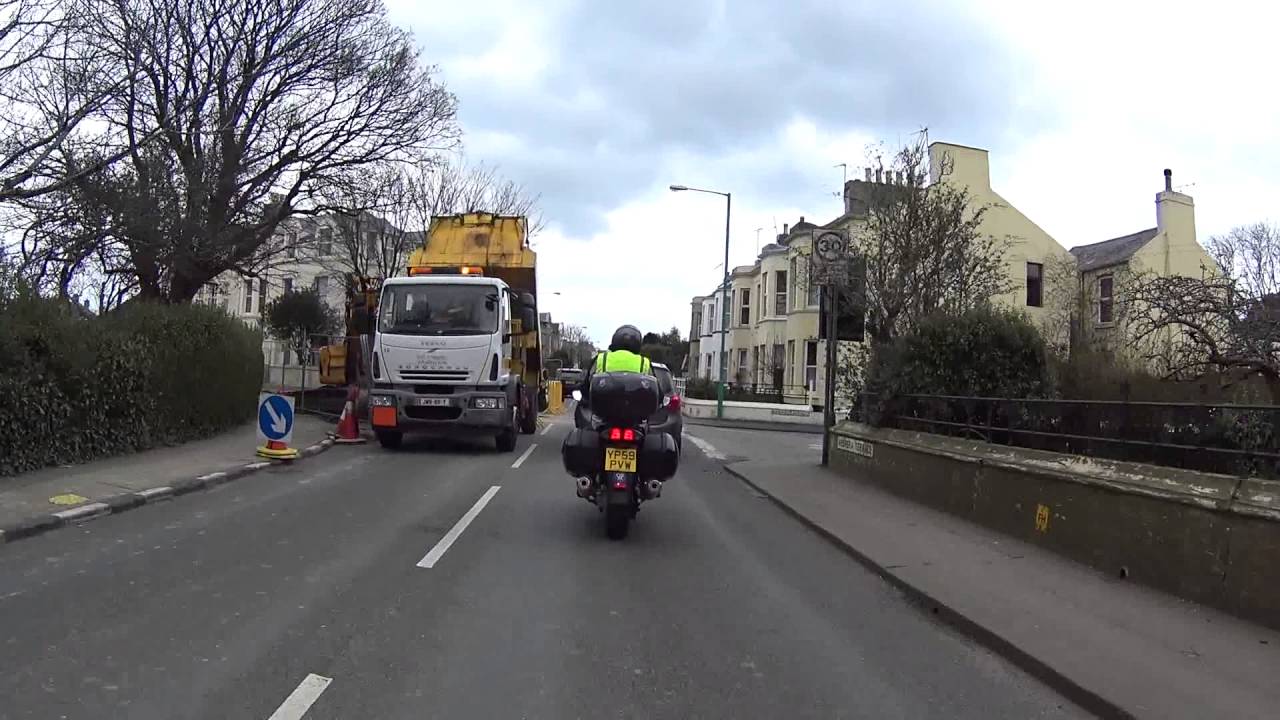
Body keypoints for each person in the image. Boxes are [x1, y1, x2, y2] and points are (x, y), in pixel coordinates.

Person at [575, 324, 653, 427]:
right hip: (635, 418)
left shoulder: (602, 358)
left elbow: (587, 385)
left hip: (604, 414)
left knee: (589, 428)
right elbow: (655, 390)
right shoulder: (644, 362)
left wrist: (584, 398)